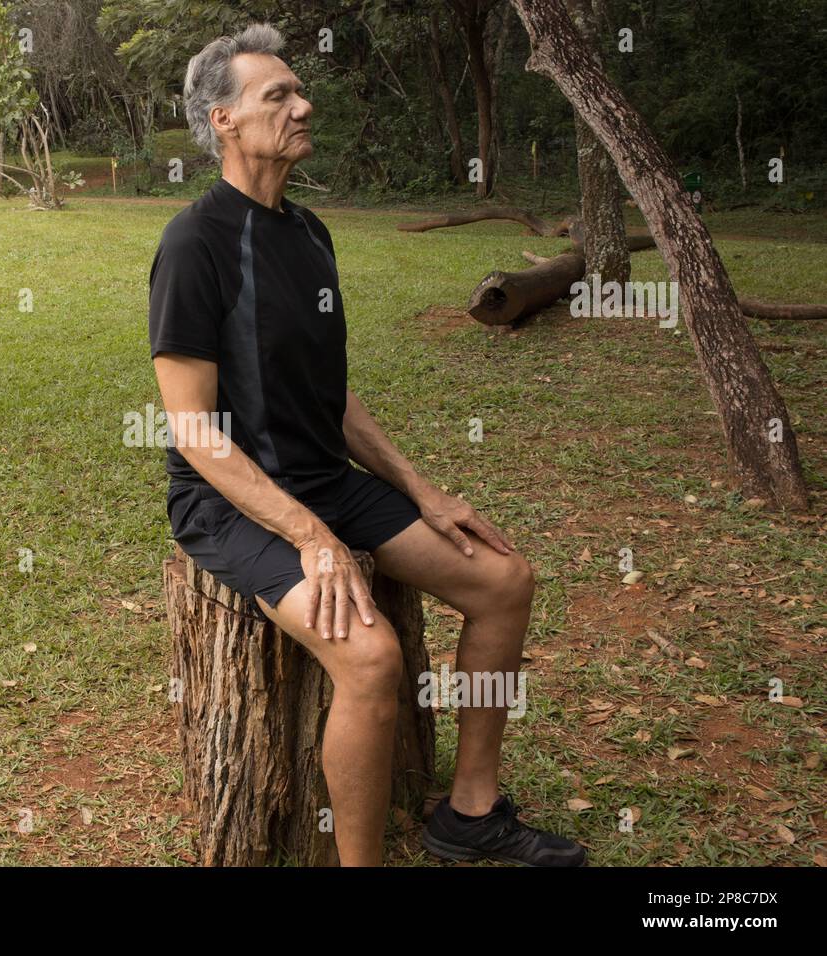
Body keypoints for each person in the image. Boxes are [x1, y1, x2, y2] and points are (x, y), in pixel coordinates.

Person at [148, 23, 586, 867]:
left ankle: (469, 813)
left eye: (296, 89)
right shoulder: (193, 244)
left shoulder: (309, 232)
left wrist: (422, 490)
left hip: (324, 476)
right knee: (373, 654)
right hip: (226, 500)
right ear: (224, 121)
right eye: (277, 94)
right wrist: (312, 538)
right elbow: (194, 432)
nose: (302, 104)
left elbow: (333, 397)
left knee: (503, 582)